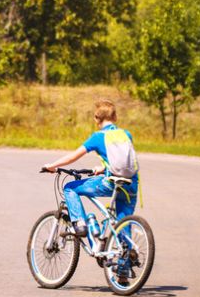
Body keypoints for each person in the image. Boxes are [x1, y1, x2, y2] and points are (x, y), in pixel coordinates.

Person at [41, 100, 139, 251]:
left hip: (111, 183)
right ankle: (124, 268)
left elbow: (73, 157)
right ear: (115, 117)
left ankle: (80, 224)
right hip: (131, 184)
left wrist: (52, 166)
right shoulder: (126, 134)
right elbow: (123, 160)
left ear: (96, 119)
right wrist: (103, 168)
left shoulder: (98, 137)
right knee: (122, 227)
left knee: (69, 188)